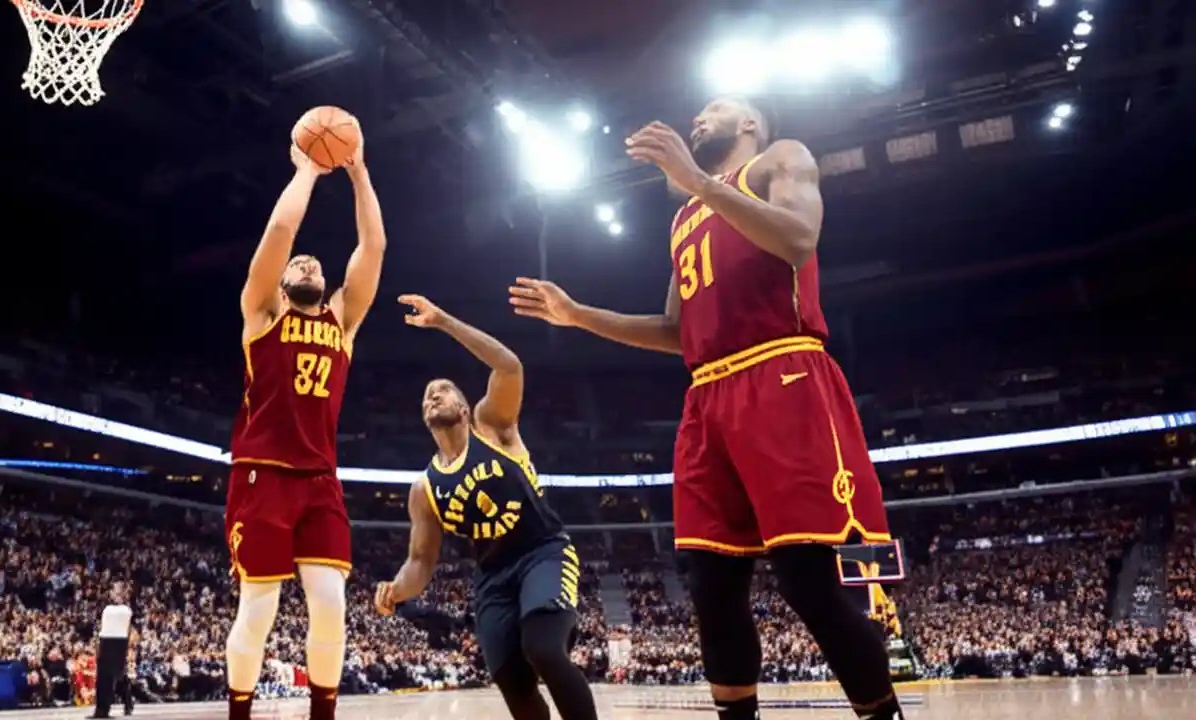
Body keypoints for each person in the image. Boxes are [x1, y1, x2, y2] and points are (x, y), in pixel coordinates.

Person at [508, 97, 902, 720]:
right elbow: (675, 330)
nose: (699, 116)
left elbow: (799, 240)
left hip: (780, 370)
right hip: (706, 396)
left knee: (809, 582)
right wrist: (579, 315)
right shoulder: (687, 215)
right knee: (711, 586)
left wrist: (696, 179)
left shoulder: (781, 157)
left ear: (749, 123)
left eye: (716, 108)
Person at [374, 295, 599, 720]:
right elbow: (420, 562)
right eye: (427, 395)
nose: (433, 396)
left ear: (463, 407)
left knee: (544, 650)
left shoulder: (492, 425)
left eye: (443, 391)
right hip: (493, 575)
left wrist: (443, 321)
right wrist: (397, 590)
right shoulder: (423, 488)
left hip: (543, 551)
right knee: (512, 681)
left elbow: (509, 365)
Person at [225, 138, 386, 720]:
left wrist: (360, 172)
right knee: (260, 606)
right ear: (283, 282)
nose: (307, 263)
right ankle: (239, 712)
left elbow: (373, 246)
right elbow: (278, 236)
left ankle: (324, 713)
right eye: (300, 265)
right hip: (262, 475)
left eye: (314, 264)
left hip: (320, 479)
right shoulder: (262, 314)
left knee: (331, 603)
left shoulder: (343, 321)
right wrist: (310, 172)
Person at [90, 583, 133, 718]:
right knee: (104, 677)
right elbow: (101, 625)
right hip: (107, 639)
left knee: (114, 676)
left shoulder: (126, 609)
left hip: (118, 641)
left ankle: (107, 707)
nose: (112, 593)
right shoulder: (106, 606)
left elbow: (128, 627)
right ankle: (101, 708)